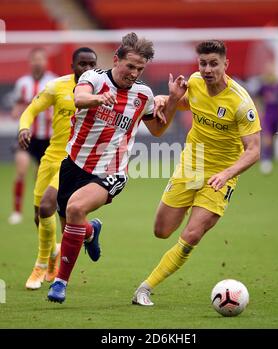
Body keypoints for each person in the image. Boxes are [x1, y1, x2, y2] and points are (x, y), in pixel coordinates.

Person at [46, 32, 183, 303]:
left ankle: (60, 283)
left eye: (140, 69)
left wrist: (175, 100)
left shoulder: (143, 95)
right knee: (72, 224)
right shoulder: (93, 79)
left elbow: (157, 130)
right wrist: (99, 99)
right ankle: (91, 230)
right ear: (116, 59)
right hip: (74, 166)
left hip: (111, 171)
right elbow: (79, 98)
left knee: (75, 209)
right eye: (130, 66)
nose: (134, 73)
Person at [132, 40, 261, 306]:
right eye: (203, 63)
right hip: (192, 163)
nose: (207, 69)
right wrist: (168, 98)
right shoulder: (194, 82)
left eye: (214, 63)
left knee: (191, 234)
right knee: (161, 230)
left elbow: (254, 150)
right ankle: (191, 210)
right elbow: (181, 105)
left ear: (226, 64)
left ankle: (145, 288)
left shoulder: (241, 103)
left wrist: (227, 174)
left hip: (220, 173)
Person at [18, 47, 98, 290]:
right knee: (40, 217)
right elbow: (31, 109)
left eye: (91, 64)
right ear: (72, 66)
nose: (87, 69)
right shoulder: (57, 86)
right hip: (49, 158)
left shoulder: (103, 91)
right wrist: (24, 127)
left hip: (72, 163)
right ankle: (70, 243)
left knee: (46, 207)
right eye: (82, 64)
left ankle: (41, 265)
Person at [8, 48, 57, 225]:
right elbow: (17, 107)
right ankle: (16, 212)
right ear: (30, 62)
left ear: (46, 61)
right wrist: (17, 113)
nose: (38, 62)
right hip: (26, 135)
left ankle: (39, 211)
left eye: (41, 59)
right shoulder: (23, 83)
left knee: (39, 178)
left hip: (47, 137)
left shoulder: (53, 81)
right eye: (34, 59)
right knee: (21, 171)